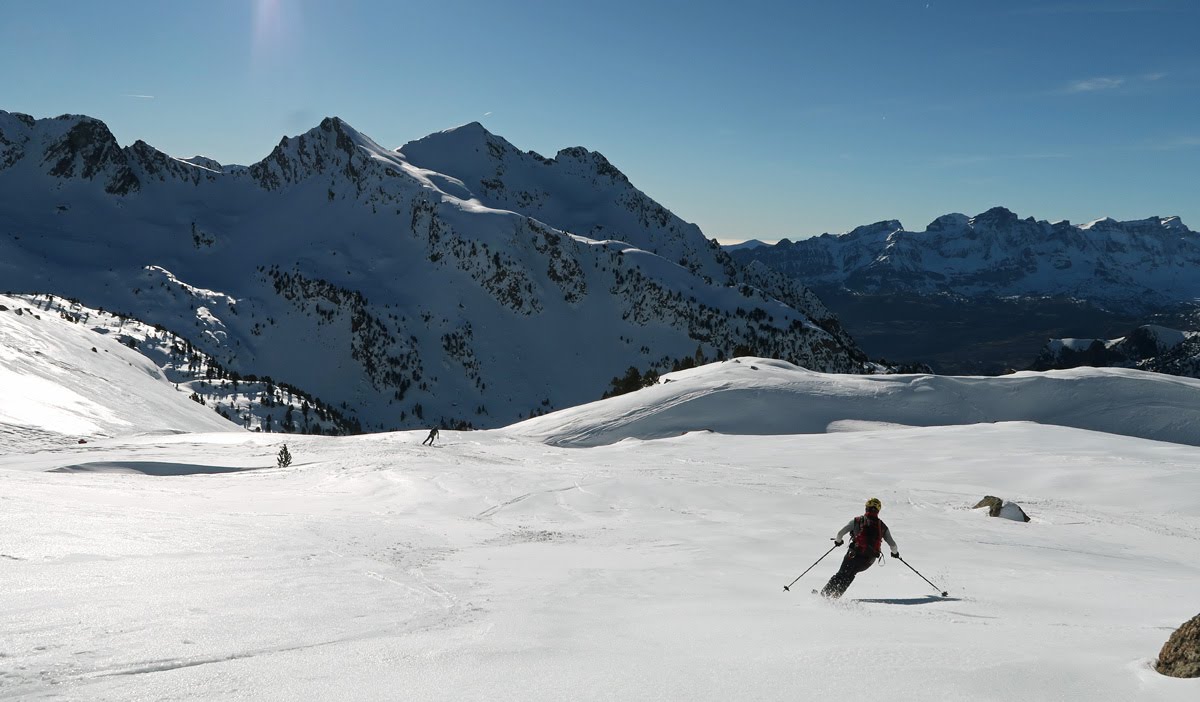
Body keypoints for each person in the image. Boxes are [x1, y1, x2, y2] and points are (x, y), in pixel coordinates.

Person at [819, 497, 898, 598]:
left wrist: (838, 541)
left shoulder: (857, 521)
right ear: (878, 510)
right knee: (850, 575)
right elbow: (893, 545)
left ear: (866, 508)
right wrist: (895, 553)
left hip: (854, 554)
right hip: (868, 560)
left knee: (841, 574)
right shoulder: (882, 526)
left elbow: (840, 533)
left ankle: (823, 595)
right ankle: (835, 596)